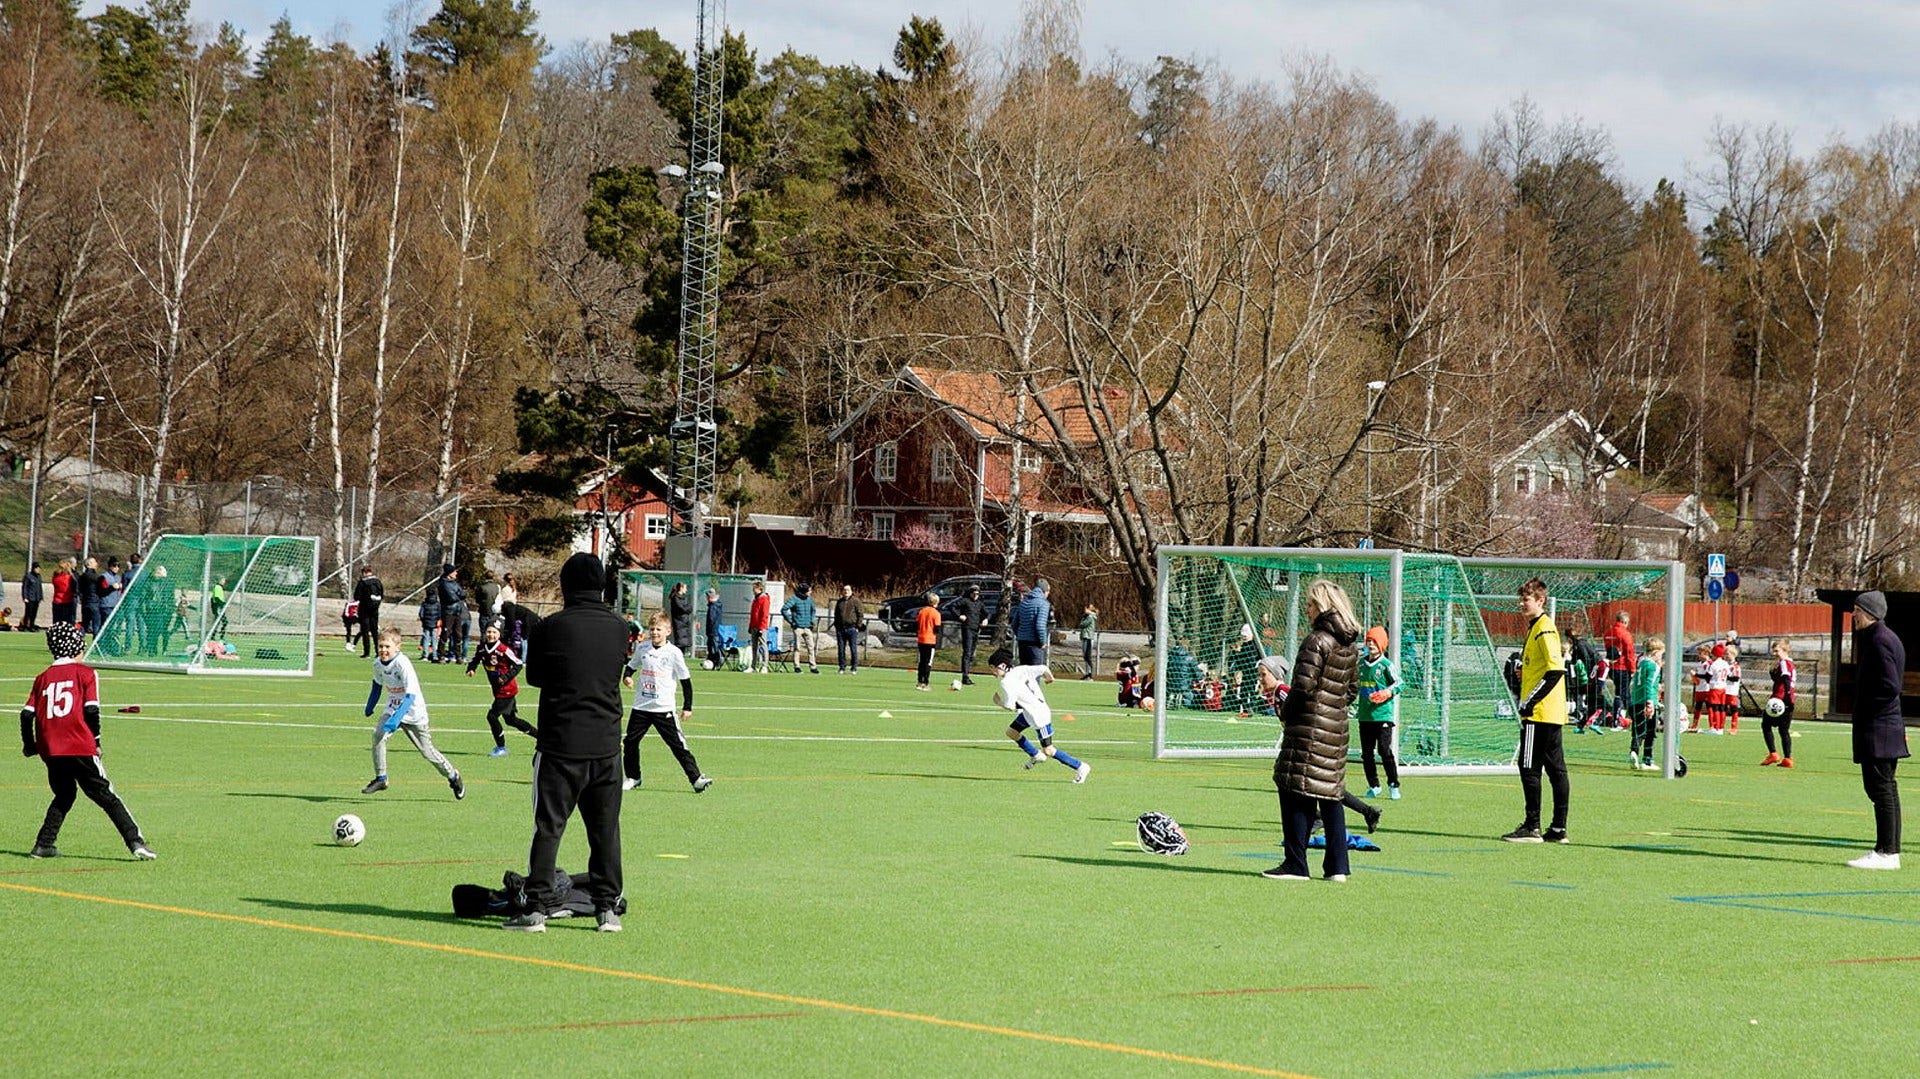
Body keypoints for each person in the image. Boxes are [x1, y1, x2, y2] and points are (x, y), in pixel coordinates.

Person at [504, 552, 629, 932]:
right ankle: (607, 909)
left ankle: (537, 909)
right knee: (605, 829)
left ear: (565, 585)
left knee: (549, 826)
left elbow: (536, 678)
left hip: (560, 744)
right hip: (607, 743)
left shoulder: (551, 627)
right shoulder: (620, 627)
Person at [18, 623, 156, 861]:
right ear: (76, 648)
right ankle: (136, 842)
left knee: (64, 794)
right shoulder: (86, 674)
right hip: (79, 745)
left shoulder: (42, 678)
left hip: (51, 749)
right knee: (106, 794)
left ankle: (43, 844)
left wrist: (30, 744)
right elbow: (91, 710)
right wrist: (97, 741)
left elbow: (26, 714)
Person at [1263, 579, 1361, 881]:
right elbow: (1352, 690)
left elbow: (1303, 686)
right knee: (1329, 794)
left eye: (1310, 604)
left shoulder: (1317, 640)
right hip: (1336, 728)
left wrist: (1288, 715)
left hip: (1308, 727)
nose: (1307, 610)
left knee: (1293, 786)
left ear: (1322, 606)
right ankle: (1338, 868)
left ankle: (1295, 863)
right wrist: (1331, 710)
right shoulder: (1349, 644)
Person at [361, 627, 464, 799]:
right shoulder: (378, 663)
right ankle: (381, 778)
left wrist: (396, 719)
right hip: (393, 707)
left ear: (397, 647)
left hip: (413, 710)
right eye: (380, 646)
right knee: (378, 735)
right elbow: (377, 684)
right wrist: (370, 705)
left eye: (387, 646)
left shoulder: (403, 664)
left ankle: (453, 776)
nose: (383, 650)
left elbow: (410, 696)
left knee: (427, 752)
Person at [1505, 578, 1570, 843]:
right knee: (1556, 769)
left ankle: (1532, 826)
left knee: (1529, 766)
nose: (1522, 604)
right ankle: (1557, 829)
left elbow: (1555, 670)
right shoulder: (1537, 628)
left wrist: (1529, 701)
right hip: (1551, 712)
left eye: (1526, 600)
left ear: (1540, 601)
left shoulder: (1544, 629)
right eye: (1521, 599)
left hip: (1539, 713)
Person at [1847, 590, 1907, 870]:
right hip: (1881, 725)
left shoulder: (1880, 640)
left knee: (1882, 788)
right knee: (1882, 788)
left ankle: (1887, 852)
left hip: (1880, 726)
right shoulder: (1879, 638)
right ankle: (1887, 850)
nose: (1853, 615)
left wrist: (1868, 710)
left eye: (1856, 611)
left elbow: (1889, 686)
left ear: (1868, 612)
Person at [620, 611, 711, 794]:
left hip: (664, 708)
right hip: (641, 707)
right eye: (652, 629)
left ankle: (696, 779)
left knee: (678, 745)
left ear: (668, 631)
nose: (654, 632)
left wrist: (687, 707)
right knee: (630, 742)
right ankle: (633, 777)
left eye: (658, 629)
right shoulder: (643, 648)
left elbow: (686, 681)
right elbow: (630, 668)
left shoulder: (674, 653)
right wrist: (627, 678)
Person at [989, 646, 1089, 781]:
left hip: (1039, 717)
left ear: (1001, 666)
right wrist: (1050, 677)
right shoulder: (1022, 669)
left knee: (1049, 750)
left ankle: (1081, 766)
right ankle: (1036, 755)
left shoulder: (1006, 682)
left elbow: (1010, 706)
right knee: (1011, 732)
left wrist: (998, 702)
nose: (991, 671)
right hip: (1030, 712)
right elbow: (1043, 668)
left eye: (992, 667)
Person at [466, 622, 536, 756]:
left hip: (507, 690)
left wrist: (505, 677)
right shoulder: (482, 648)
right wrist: (471, 668)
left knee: (492, 716)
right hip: (498, 690)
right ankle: (541, 737)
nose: (491, 635)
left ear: (499, 634)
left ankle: (501, 747)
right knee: (511, 720)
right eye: (489, 632)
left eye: (494, 632)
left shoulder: (503, 649)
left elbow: (518, 664)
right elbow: (476, 659)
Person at [1356, 625, 1401, 800]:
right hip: (1365, 716)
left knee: (1384, 750)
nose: (1371, 644)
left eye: (1374, 641)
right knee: (1366, 753)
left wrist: (1387, 692)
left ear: (1382, 644)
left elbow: (1399, 683)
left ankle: (1393, 784)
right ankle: (1374, 785)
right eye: (1369, 641)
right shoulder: (1361, 664)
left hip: (1382, 716)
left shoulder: (1386, 665)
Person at [1630, 637, 1665, 771]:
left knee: (1638, 731)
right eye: (1661, 654)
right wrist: (1650, 703)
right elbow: (1649, 685)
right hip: (1648, 703)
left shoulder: (1641, 662)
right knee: (1650, 732)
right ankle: (1647, 760)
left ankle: (1633, 752)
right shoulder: (1653, 666)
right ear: (1656, 653)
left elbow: (1633, 684)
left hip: (1636, 701)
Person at [1762, 639, 1797, 768]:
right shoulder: (1792, 664)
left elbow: (1787, 680)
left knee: (1766, 725)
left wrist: (1786, 696)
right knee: (1784, 730)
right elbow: (1784, 679)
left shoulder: (1784, 663)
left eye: (1777, 651)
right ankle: (1788, 758)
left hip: (1779, 699)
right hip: (1789, 699)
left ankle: (1773, 754)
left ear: (1785, 650)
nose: (1774, 653)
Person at [1604, 610, 1636, 727]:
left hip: (1612, 667)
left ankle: (1624, 717)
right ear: (1625, 621)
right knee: (1623, 694)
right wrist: (1632, 669)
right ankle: (1619, 720)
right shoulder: (1625, 634)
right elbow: (1629, 653)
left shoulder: (1608, 632)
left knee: (1622, 692)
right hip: (1623, 667)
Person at [950, 584, 986, 685]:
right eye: (974, 594)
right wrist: (959, 616)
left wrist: (985, 619)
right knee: (967, 652)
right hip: (967, 629)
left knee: (971, 654)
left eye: (977, 594)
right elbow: (952, 606)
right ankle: (965, 676)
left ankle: (967, 674)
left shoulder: (979, 603)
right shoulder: (965, 601)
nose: (975, 596)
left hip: (976, 629)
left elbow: (987, 613)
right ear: (970, 593)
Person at [1011, 579, 1052, 667]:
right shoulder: (1044, 604)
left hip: (1022, 642)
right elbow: (1040, 626)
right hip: (1035, 644)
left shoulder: (1023, 602)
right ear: (1044, 591)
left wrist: (1020, 635)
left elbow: (1014, 624)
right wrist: (1043, 642)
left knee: (1024, 673)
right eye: (1048, 591)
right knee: (1034, 673)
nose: (1048, 594)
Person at [780, 584, 819, 674]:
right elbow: (784, 609)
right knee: (797, 648)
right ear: (804, 591)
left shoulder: (810, 600)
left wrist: (812, 620)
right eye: (809, 590)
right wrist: (791, 621)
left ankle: (813, 667)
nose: (810, 592)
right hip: (798, 627)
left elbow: (813, 611)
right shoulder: (794, 599)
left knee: (811, 647)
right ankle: (797, 666)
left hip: (808, 627)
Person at [354, 566, 384, 659]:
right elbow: (382, 594)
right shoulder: (378, 582)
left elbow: (356, 596)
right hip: (375, 609)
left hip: (364, 609)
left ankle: (366, 652)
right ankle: (378, 652)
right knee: (375, 631)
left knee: (365, 631)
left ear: (364, 573)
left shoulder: (362, 582)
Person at [833, 584, 863, 674]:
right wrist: (837, 626)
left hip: (852, 629)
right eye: (844, 590)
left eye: (848, 590)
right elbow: (836, 614)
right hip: (841, 629)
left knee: (853, 649)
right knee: (841, 649)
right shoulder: (840, 602)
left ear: (851, 591)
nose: (846, 592)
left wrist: (858, 626)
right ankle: (842, 667)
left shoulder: (856, 601)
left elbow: (860, 614)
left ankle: (854, 667)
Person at [914, 592, 942, 691]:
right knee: (928, 662)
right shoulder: (936, 613)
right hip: (930, 640)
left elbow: (916, 624)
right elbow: (937, 629)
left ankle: (919, 681)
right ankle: (925, 683)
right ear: (936, 602)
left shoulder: (922, 611)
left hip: (921, 639)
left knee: (921, 661)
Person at [747, 580, 772, 673]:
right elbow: (753, 614)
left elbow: (764, 614)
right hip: (754, 626)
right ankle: (753, 666)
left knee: (763, 645)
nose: (753, 590)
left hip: (761, 627)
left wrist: (761, 627)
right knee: (754, 646)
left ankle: (765, 665)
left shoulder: (764, 599)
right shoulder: (755, 600)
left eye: (754, 588)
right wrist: (750, 626)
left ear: (759, 588)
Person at [77, 556, 103, 636]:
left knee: (85, 624)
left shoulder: (82, 577)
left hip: (85, 602)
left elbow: (79, 589)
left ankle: (78, 642)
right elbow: (100, 590)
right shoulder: (96, 577)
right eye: (94, 562)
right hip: (94, 602)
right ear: (89, 564)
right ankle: (96, 644)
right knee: (96, 625)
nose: (96, 564)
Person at [417, 580, 441, 662]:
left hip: (426, 624)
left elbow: (421, 614)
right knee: (434, 640)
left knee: (426, 639)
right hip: (434, 624)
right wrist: (438, 620)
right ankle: (434, 655)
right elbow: (439, 613)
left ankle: (425, 655)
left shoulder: (424, 603)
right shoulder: (437, 604)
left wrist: (423, 620)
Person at [668, 581, 694, 654]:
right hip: (679, 622)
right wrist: (687, 609)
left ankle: (681, 655)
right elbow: (683, 608)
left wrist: (688, 608)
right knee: (680, 641)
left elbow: (689, 607)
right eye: (685, 588)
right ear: (681, 588)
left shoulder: (684, 598)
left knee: (684, 642)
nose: (686, 590)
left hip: (684, 622)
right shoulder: (675, 598)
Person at [49, 559, 75, 628]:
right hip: (67, 601)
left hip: (56, 601)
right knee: (66, 623)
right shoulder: (68, 578)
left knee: (56, 622)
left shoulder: (56, 578)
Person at [1077, 604, 1099, 679]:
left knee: (1087, 656)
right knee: (1085, 656)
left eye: (1087, 609)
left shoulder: (1090, 617)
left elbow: (1082, 624)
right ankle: (1087, 673)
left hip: (1088, 637)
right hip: (1085, 637)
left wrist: (1084, 618)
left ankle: (1089, 673)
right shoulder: (1087, 616)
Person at [704, 588, 724, 668]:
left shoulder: (713, 606)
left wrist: (709, 629)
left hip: (713, 630)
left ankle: (715, 662)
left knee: (713, 646)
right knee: (715, 646)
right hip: (716, 629)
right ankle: (712, 661)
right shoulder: (717, 605)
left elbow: (711, 619)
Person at [21, 561, 42, 631]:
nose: (38, 570)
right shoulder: (28, 576)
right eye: (37, 568)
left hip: (36, 598)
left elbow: (39, 587)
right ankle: (25, 625)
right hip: (30, 598)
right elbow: (25, 587)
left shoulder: (39, 577)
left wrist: (40, 597)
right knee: (28, 613)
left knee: (34, 613)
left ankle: (32, 625)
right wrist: (25, 597)